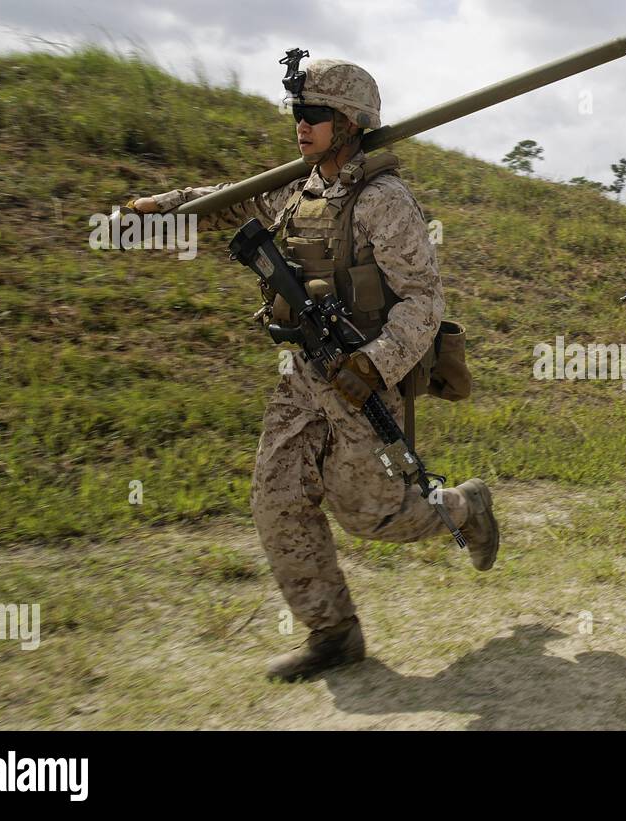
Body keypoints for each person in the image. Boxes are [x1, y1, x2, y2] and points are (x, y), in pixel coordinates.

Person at [131, 55, 499, 681]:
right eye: (297, 113)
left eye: (314, 115)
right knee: (277, 501)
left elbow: (423, 301)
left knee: (373, 516)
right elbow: (220, 206)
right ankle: (332, 634)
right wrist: (153, 212)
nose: (300, 126)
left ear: (350, 123)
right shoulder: (293, 188)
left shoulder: (385, 201)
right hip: (300, 376)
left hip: (359, 380)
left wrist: (374, 367)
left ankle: (465, 507)